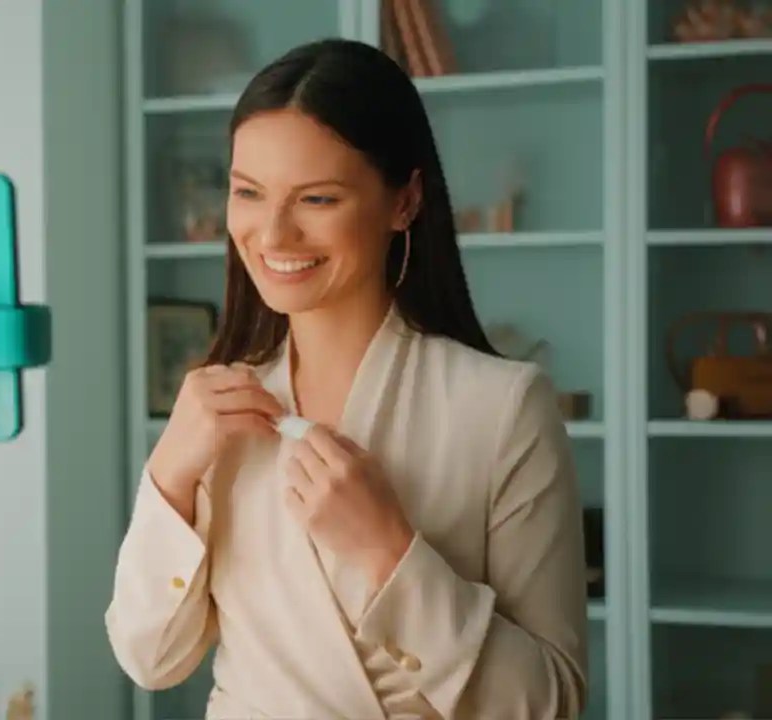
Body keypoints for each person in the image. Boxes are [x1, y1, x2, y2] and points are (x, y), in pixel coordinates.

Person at [104, 38, 588, 719]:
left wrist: (390, 552)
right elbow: (150, 658)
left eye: (318, 198)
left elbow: (552, 703)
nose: (272, 234)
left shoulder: (504, 407)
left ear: (405, 200)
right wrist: (170, 478)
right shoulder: (216, 414)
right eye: (247, 192)